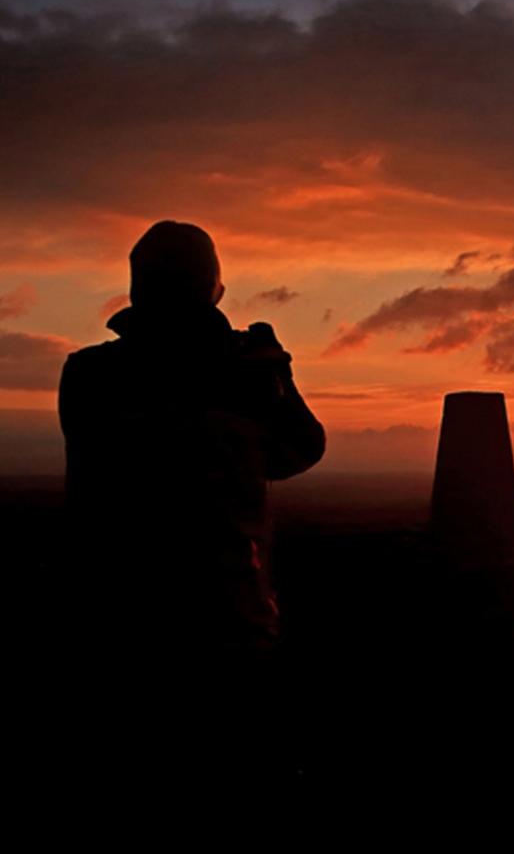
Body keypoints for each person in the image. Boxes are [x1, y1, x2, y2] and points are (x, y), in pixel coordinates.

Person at [58, 220, 325, 686]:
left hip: (114, 617)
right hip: (227, 618)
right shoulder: (238, 374)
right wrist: (278, 376)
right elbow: (299, 452)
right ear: (211, 287)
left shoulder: (87, 373)